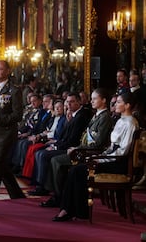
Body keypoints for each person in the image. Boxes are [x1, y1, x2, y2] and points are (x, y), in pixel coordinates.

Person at [52, 92, 139, 221]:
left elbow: (123, 151)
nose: (115, 104)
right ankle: (70, 210)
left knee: (77, 171)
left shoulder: (130, 123)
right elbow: (112, 146)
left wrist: (102, 158)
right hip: (111, 158)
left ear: (127, 105)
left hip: (118, 163)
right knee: (76, 170)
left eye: (119, 102)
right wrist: (102, 155)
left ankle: (73, 211)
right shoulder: (121, 120)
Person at [41, 88, 113, 207]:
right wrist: (77, 147)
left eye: (95, 99)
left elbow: (98, 142)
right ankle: (58, 195)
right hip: (83, 149)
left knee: (56, 161)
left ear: (104, 100)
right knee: (54, 159)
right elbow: (86, 137)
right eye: (92, 98)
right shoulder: (97, 116)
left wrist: (77, 149)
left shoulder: (104, 117)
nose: (91, 101)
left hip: (90, 153)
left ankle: (59, 197)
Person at [0, 60, 25, 200]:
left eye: (0, 69)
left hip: (6, 134)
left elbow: (18, 115)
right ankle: (17, 195)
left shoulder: (14, 90)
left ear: (8, 71)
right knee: (3, 167)